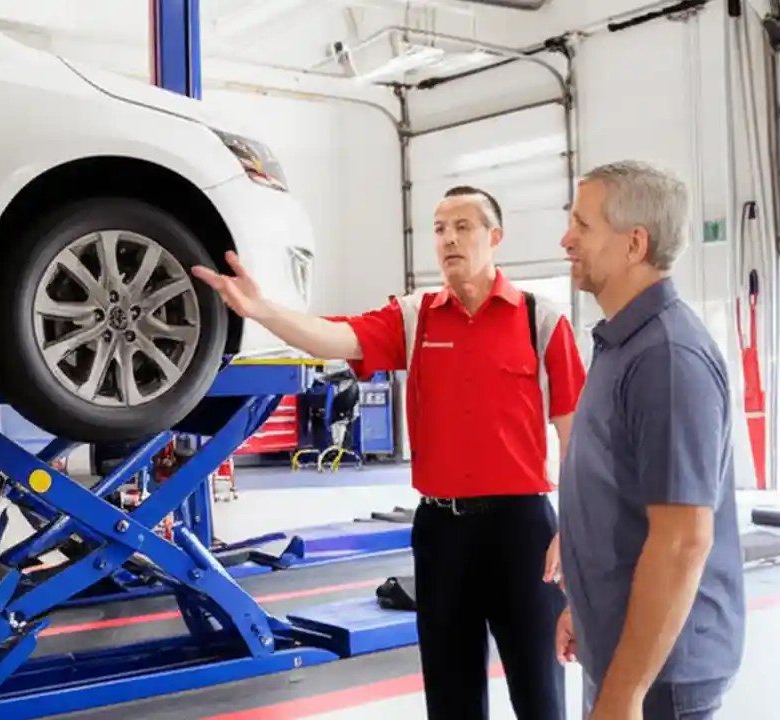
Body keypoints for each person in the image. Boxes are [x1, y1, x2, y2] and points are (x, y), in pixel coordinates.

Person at [194, 185, 586, 719]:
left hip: (523, 531)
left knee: (540, 692)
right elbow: (332, 337)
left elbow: (574, 431)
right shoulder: (415, 317)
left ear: (495, 237)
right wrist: (261, 310)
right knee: (451, 695)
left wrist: (573, 526)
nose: (448, 239)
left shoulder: (541, 319)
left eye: (463, 227)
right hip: (442, 532)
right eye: (439, 228)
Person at [554, 160, 746, 720]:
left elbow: (683, 541)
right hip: (626, 654)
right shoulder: (623, 343)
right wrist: (586, 612)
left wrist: (625, 694)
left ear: (634, 243)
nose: (567, 239)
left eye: (582, 225)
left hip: (662, 674)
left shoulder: (666, 358)